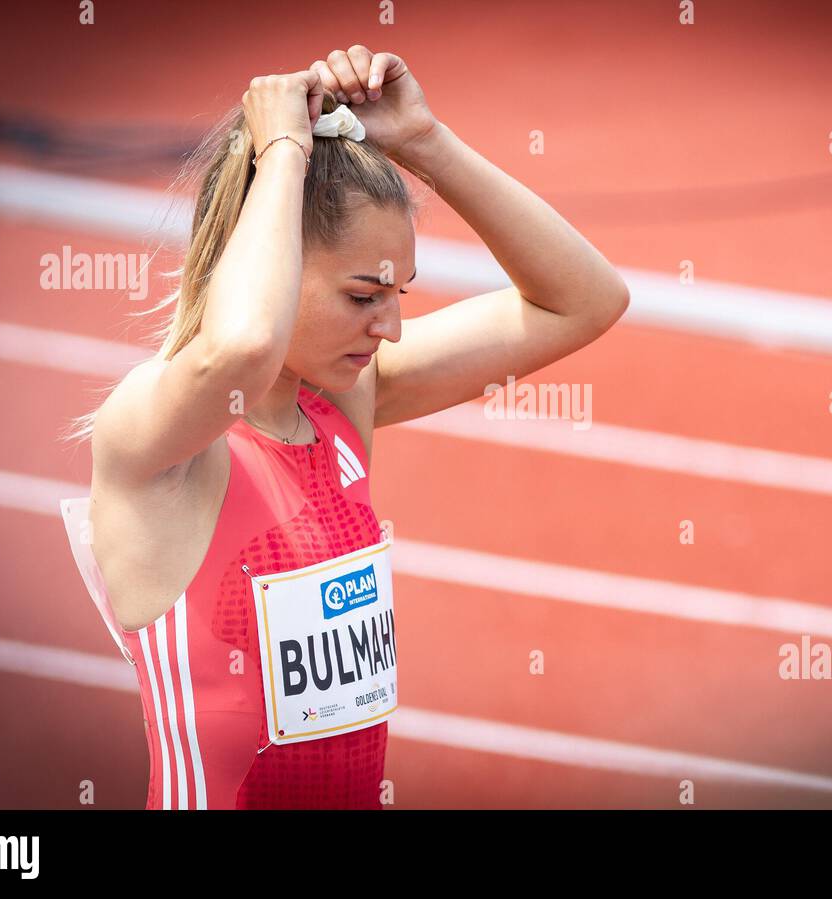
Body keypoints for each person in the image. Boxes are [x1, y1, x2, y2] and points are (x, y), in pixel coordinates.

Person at [59, 46, 630, 809]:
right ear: (275, 265)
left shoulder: (343, 405)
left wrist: (425, 141)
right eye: (364, 296)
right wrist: (285, 150)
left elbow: (587, 300)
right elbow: (242, 346)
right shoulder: (159, 442)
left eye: (398, 294)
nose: (391, 328)